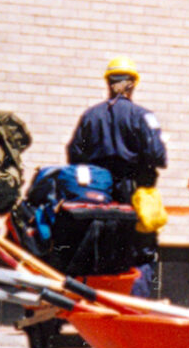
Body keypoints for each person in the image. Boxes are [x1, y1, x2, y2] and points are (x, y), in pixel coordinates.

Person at [66, 56, 168, 297]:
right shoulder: (143, 117)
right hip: (135, 197)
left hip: (98, 196)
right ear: (132, 84)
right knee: (141, 251)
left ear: (109, 83)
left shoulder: (90, 116)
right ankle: (135, 305)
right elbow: (158, 155)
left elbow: (74, 154)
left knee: (104, 250)